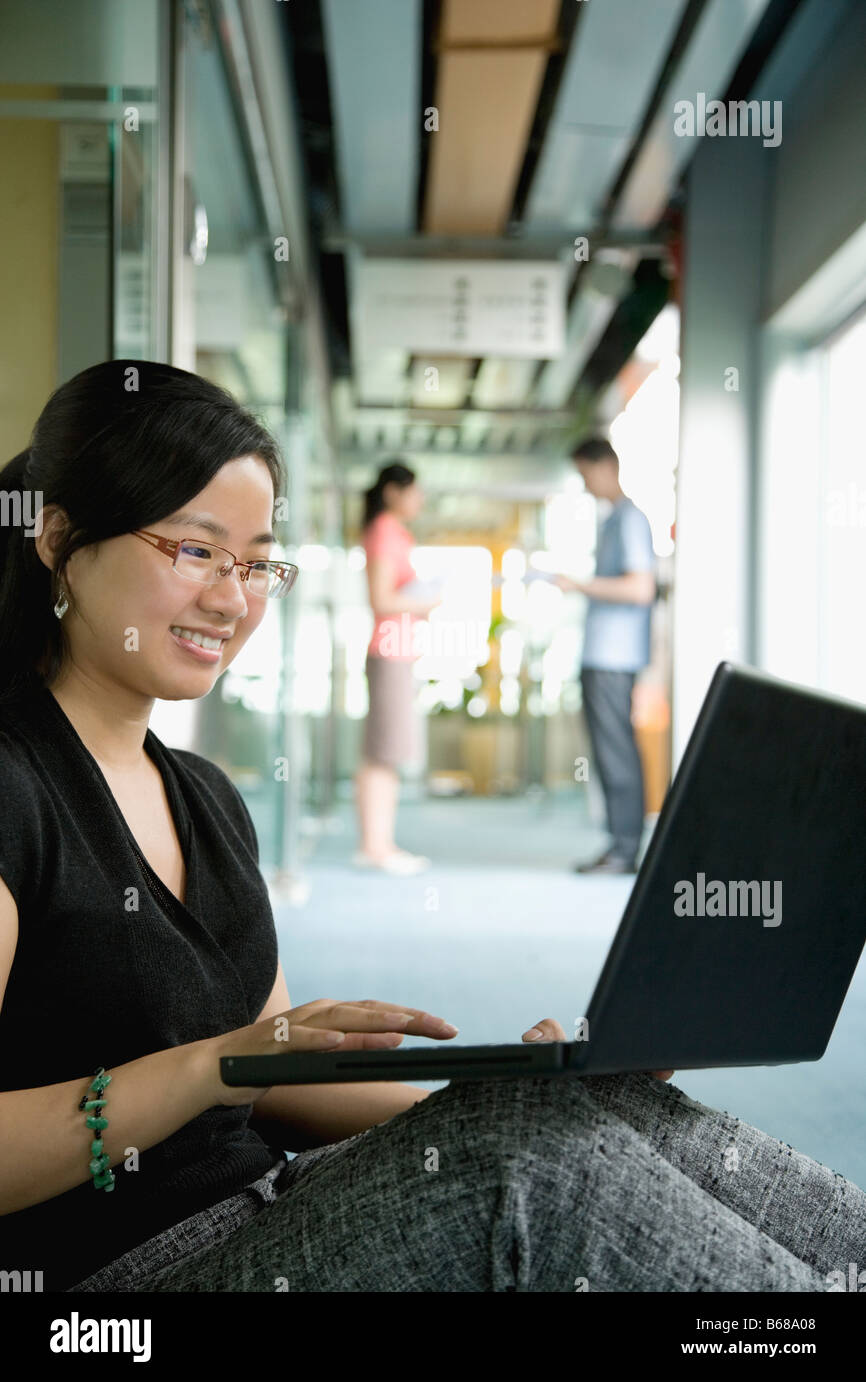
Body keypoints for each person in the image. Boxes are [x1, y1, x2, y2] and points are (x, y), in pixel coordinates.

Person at [0, 362, 863, 1294]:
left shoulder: (206, 796)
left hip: (264, 1212)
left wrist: (491, 1102)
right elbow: (230, 1066)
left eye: (255, 562)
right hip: (117, 1283)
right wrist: (207, 1068)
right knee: (524, 1173)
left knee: (580, 1118)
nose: (232, 599)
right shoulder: (16, 787)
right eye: (196, 550)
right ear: (58, 539)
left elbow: (268, 1076)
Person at [556, 437, 656, 875]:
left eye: (584, 474)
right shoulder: (613, 520)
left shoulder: (631, 519)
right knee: (609, 750)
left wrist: (579, 585)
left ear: (604, 467)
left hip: (614, 658)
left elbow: (639, 589)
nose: (584, 484)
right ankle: (619, 843)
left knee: (617, 751)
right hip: (603, 656)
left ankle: (624, 849)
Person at [353, 463, 439, 875]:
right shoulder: (386, 530)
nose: (420, 500)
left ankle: (378, 844)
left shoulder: (393, 531)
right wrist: (427, 602)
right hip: (389, 653)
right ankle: (375, 847)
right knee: (382, 753)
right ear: (393, 492)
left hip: (398, 653)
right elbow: (382, 599)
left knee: (385, 752)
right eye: (414, 491)